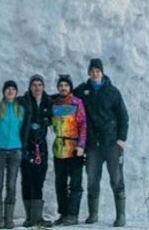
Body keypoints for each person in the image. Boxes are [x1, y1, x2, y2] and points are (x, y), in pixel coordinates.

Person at [74, 58, 128, 227]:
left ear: (102, 72)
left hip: (112, 143)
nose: (95, 73)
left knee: (116, 179)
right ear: (88, 73)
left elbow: (123, 116)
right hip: (92, 145)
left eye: (98, 71)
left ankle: (121, 216)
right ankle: (93, 214)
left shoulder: (113, 92)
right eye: (92, 71)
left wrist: (121, 139)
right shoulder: (83, 91)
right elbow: (66, 98)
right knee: (92, 179)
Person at [0, 80, 26, 228]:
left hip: (15, 151)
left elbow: (21, 130)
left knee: (11, 184)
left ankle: (8, 219)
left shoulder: (20, 110)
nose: (10, 91)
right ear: (4, 91)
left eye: (13, 89)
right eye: (8, 89)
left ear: (16, 93)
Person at [50, 74, 87, 225]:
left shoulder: (77, 103)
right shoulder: (55, 104)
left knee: (75, 184)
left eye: (66, 85)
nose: (63, 88)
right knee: (60, 183)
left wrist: (81, 145)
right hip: (59, 148)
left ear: (70, 87)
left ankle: (73, 214)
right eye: (61, 86)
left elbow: (83, 125)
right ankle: (63, 213)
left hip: (74, 148)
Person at [18, 74, 53, 227]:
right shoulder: (22, 101)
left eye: (39, 85)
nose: (37, 88)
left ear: (43, 87)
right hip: (26, 145)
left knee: (38, 180)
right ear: (29, 87)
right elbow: (5, 107)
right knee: (27, 180)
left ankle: (37, 217)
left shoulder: (48, 102)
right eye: (34, 85)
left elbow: (64, 104)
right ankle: (29, 218)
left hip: (41, 146)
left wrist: (48, 121)